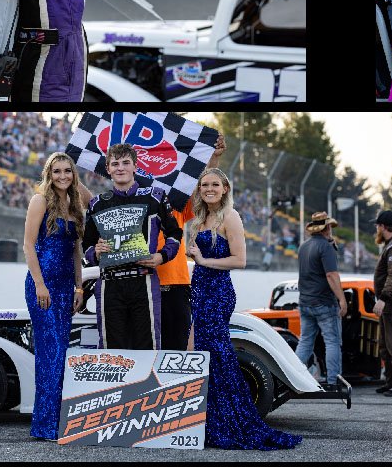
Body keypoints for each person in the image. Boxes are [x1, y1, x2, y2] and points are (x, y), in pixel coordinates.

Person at [186, 167, 302, 449]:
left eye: (215, 184)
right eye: (204, 185)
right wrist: (194, 258)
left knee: (218, 355)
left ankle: (230, 423)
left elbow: (240, 260)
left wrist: (203, 261)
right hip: (199, 290)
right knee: (202, 354)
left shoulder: (231, 216)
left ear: (225, 188)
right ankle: (207, 423)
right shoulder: (200, 219)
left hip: (217, 292)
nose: (209, 189)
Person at [82, 143, 182, 350]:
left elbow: (175, 234)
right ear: (108, 169)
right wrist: (96, 252)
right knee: (112, 349)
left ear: (135, 167)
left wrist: (161, 257)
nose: (120, 168)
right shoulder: (97, 204)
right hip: (110, 283)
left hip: (143, 279)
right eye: (115, 163)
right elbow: (86, 246)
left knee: (148, 346)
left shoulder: (155, 196)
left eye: (126, 163)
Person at [21, 152, 86, 440]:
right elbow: (28, 245)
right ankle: (45, 425)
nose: (62, 176)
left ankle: (55, 420)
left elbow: (75, 251)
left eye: (68, 171)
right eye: (57, 171)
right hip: (42, 285)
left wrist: (79, 286)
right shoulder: (40, 201)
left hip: (64, 288)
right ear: (49, 173)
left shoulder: (75, 205)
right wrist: (39, 284)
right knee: (51, 352)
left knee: (59, 352)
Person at [155, 135, 224, 352]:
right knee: (148, 351)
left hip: (177, 286)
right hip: (143, 286)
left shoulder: (173, 204)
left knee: (178, 350)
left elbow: (204, 193)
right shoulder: (130, 205)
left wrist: (213, 158)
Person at [294, 212, 347, 390]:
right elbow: (331, 275)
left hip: (305, 302)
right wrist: (342, 299)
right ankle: (334, 381)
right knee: (332, 341)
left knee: (305, 341)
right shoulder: (325, 247)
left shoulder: (304, 246)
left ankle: (293, 378)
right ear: (327, 228)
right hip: (324, 302)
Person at [372, 210, 392, 395]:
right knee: (385, 346)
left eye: (377, 226)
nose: (376, 229)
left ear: (383, 227)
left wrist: (383, 299)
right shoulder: (389, 245)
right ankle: (390, 382)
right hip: (388, 305)